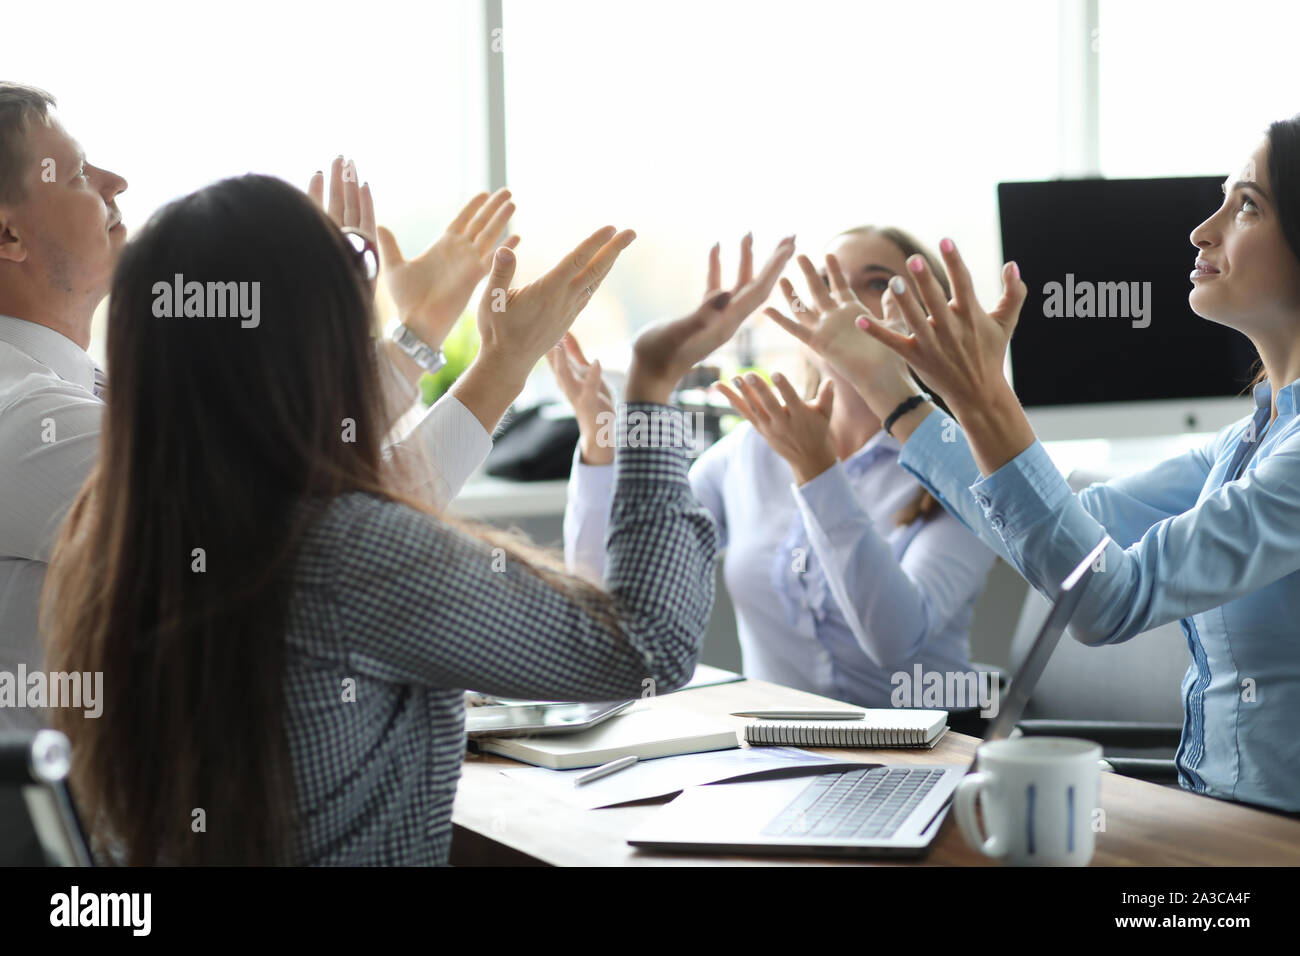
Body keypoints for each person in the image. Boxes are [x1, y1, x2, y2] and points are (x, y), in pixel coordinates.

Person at [40, 171, 796, 864]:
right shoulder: (340, 551)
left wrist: (480, 351)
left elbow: (325, 456)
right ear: (315, 339)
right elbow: (643, 651)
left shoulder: (104, 531)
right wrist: (654, 391)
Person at [768, 116, 1300, 815]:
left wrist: (982, 395)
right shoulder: (1249, 439)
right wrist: (893, 393)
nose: (1204, 230)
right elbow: (1070, 523)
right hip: (1216, 810)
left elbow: (1109, 596)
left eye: (1247, 205)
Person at [0, 83, 512, 729]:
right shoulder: (25, 420)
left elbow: (310, 483)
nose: (115, 181)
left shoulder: (73, 391)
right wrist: (473, 359)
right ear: (7, 233)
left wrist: (433, 338)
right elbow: (318, 535)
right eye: (76, 173)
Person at [552, 228, 996, 715]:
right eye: (824, 282)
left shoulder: (964, 464)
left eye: (874, 282)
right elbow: (612, 600)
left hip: (927, 751)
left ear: (925, 317)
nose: (839, 300)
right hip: (776, 757)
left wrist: (817, 472)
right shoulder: (749, 452)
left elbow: (895, 642)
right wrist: (603, 448)